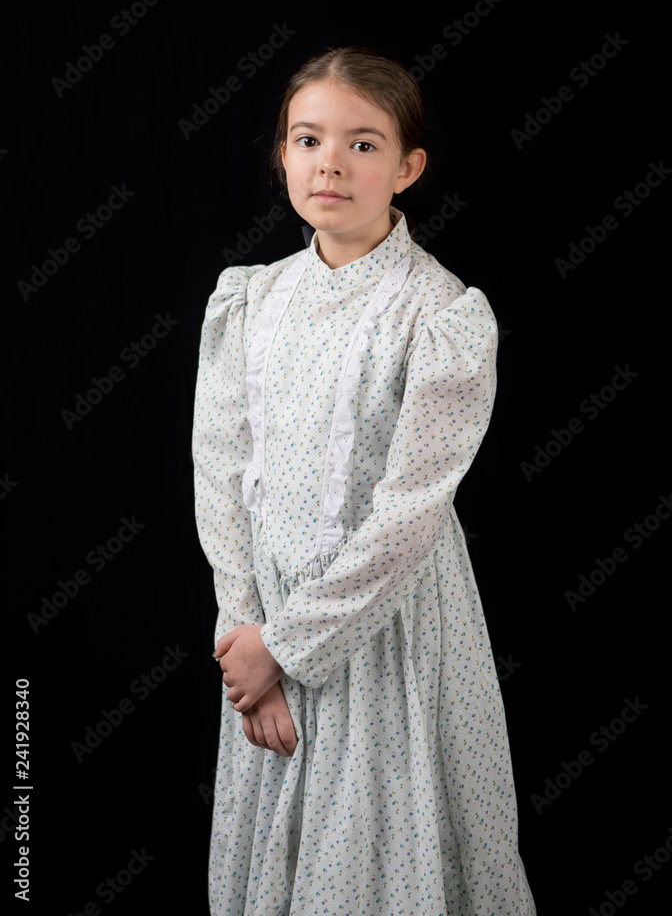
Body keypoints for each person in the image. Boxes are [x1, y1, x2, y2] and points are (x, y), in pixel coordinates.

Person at [192, 45, 536, 915]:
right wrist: (244, 637)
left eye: (364, 144)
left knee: (378, 856)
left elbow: (410, 513)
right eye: (308, 140)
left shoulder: (442, 316)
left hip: (385, 630)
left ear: (408, 167)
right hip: (264, 624)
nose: (331, 164)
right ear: (283, 156)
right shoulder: (251, 299)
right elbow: (219, 464)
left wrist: (291, 646)